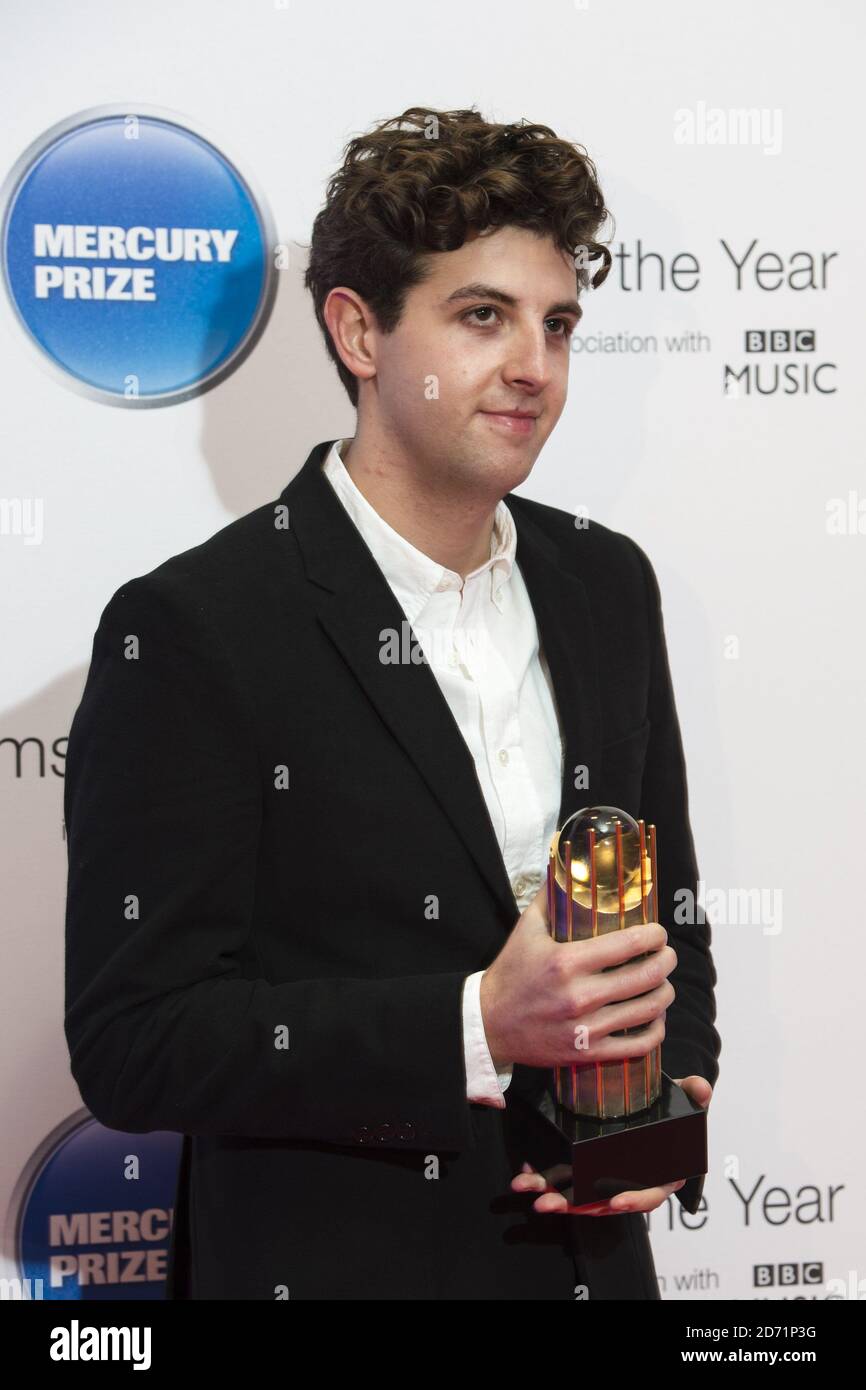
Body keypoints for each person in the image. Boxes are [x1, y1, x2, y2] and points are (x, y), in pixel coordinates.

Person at [64, 105, 720, 1300]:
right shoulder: (200, 626)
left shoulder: (605, 582)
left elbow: (665, 908)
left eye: (556, 323)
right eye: (482, 316)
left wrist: (665, 1104)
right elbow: (135, 1041)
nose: (533, 365)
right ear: (358, 332)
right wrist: (476, 1019)